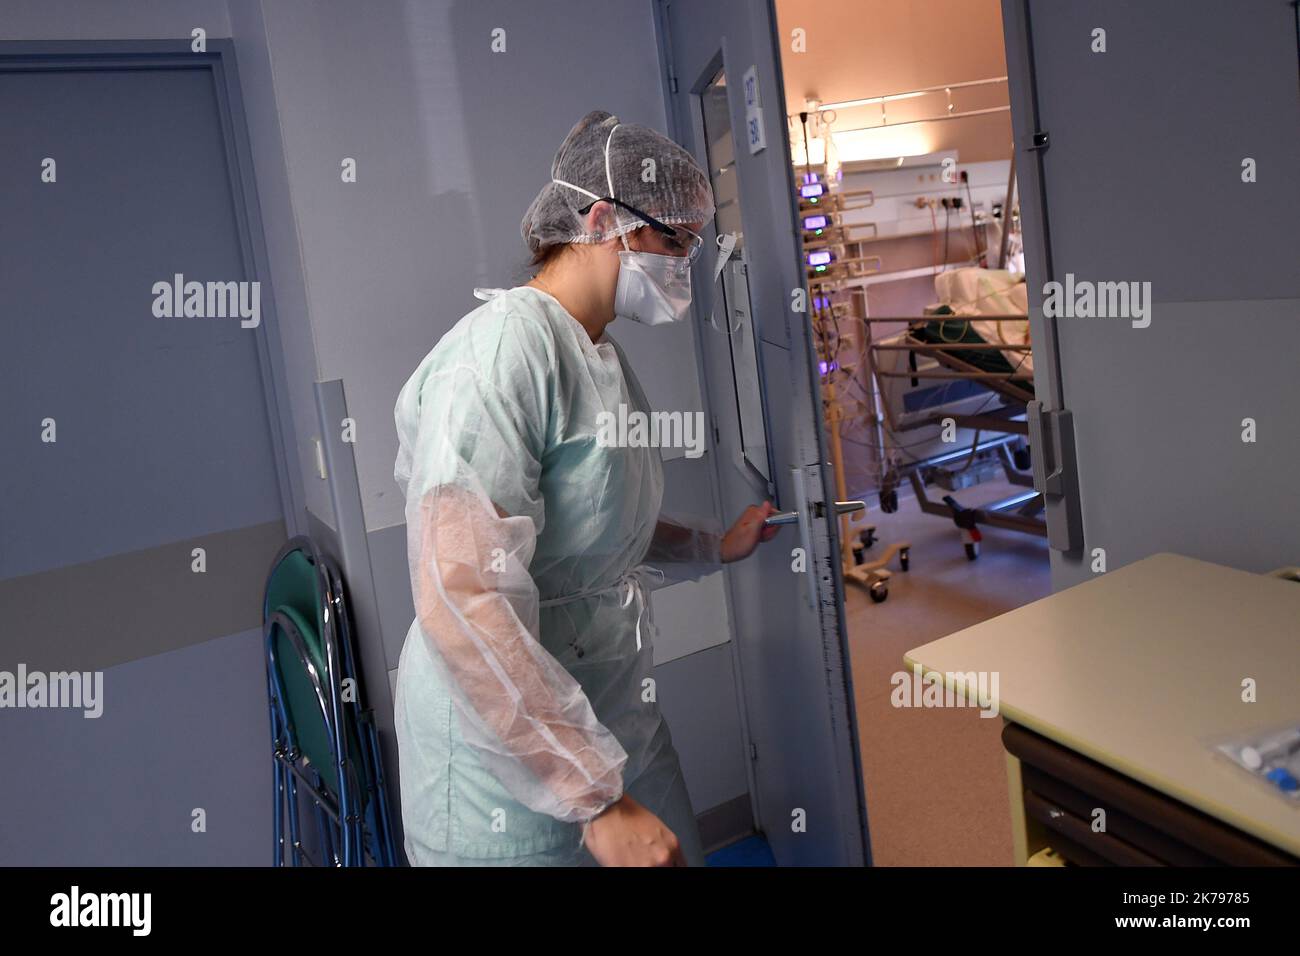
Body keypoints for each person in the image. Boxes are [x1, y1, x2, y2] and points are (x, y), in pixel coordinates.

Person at [392, 110, 778, 867]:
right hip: (500, 749)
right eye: (675, 239)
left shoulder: (595, 352)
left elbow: (597, 525)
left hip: (604, 705)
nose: (685, 262)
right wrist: (596, 797)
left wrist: (713, 544)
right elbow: (461, 591)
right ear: (605, 219)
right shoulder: (503, 350)